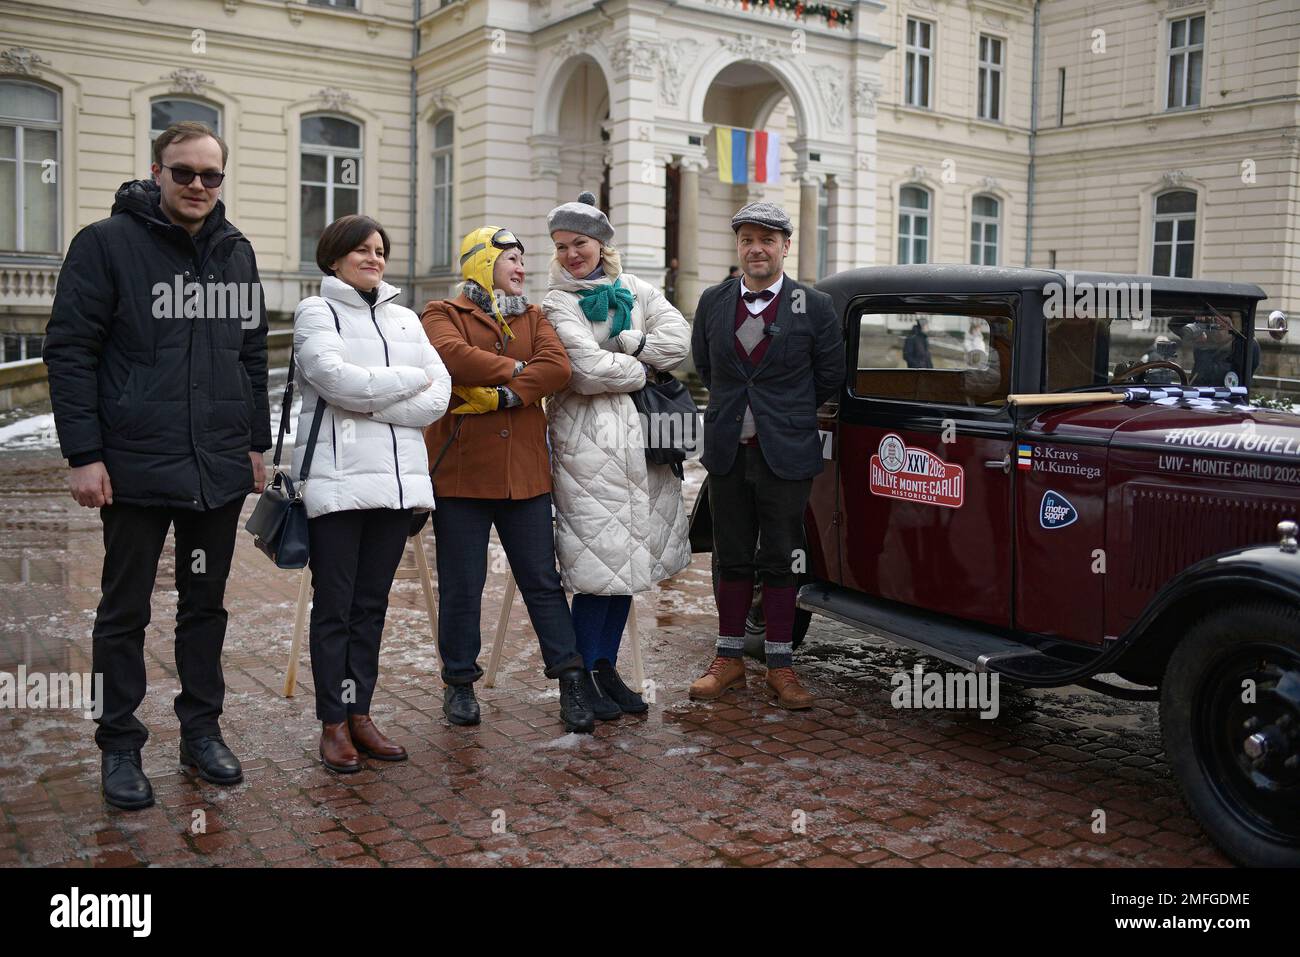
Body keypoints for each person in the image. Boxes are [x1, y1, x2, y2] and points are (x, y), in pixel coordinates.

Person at [44, 121, 270, 809]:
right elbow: (70, 351)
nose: (199, 186)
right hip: (136, 468)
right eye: (184, 173)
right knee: (125, 610)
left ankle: (201, 732)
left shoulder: (236, 252)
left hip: (215, 470)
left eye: (211, 175)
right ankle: (119, 743)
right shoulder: (106, 245)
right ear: (156, 171)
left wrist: (254, 441)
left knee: (205, 607)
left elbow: (251, 355)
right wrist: (85, 454)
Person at [292, 215, 450, 773]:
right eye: (361, 249)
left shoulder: (407, 318)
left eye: (380, 249)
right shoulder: (318, 312)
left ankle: (361, 713)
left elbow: (441, 394)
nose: (373, 258)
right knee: (334, 608)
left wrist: (371, 398)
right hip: (337, 484)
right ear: (333, 258)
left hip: (398, 486)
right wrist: (407, 381)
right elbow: (335, 381)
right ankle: (333, 722)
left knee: (371, 608)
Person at [421, 226, 595, 733]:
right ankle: (459, 684)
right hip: (460, 477)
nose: (521, 267)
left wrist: (504, 394)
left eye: (523, 259)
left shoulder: (535, 315)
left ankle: (570, 679)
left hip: (524, 477)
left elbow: (558, 368)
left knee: (542, 582)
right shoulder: (441, 313)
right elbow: (451, 357)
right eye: (510, 259)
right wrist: (520, 367)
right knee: (462, 585)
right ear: (480, 263)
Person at [688, 202, 844, 710]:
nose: (756, 248)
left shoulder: (814, 306)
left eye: (767, 240)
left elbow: (829, 376)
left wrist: (783, 412)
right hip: (729, 451)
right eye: (747, 239)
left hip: (787, 453)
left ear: (785, 247)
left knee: (780, 559)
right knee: (731, 556)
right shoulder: (713, 301)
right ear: (739, 247)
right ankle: (728, 658)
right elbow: (709, 367)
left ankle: (781, 664)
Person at [543, 191, 691, 720]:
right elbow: (583, 371)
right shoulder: (557, 303)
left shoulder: (637, 289)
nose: (570, 255)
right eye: (561, 246)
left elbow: (678, 342)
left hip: (643, 451)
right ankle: (581, 675)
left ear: (601, 243)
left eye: (578, 243)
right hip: (589, 451)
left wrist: (629, 345)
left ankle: (606, 669)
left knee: (626, 563)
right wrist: (641, 367)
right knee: (595, 563)